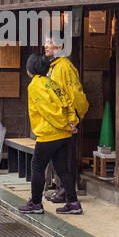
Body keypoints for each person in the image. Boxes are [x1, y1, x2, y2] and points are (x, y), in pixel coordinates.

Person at [19, 53, 82, 215]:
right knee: (62, 169)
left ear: (30, 69)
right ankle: (73, 202)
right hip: (64, 135)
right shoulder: (51, 83)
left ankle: (35, 203)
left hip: (49, 134)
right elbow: (67, 102)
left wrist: (65, 124)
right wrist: (71, 122)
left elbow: (48, 111)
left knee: (37, 167)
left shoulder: (34, 85)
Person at [44, 33, 89, 202]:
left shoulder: (65, 67)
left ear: (60, 47)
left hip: (67, 119)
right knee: (59, 156)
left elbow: (75, 93)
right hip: (57, 118)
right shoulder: (54, 66)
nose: (46, 46)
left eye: (50, 43)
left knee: (66, 156)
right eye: (46, 43)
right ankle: (62, 188)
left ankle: (66, 191)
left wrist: (77, 116)